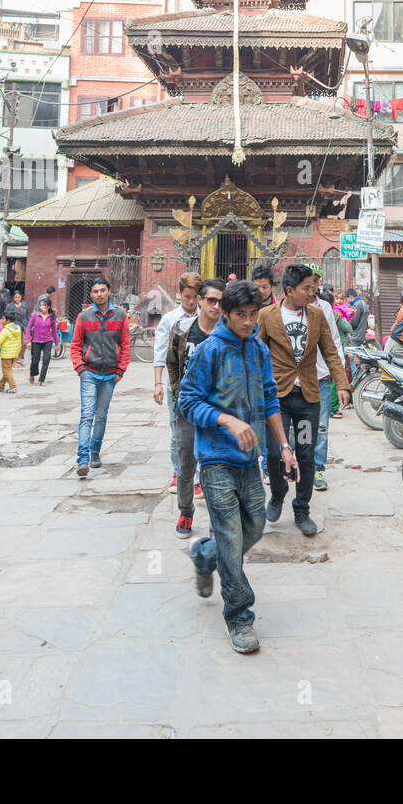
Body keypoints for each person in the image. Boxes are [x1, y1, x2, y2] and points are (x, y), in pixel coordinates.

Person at [179, 280, 299, 655]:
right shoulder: (208, 351)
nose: (248, 322)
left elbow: (269, 399)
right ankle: (239, 615)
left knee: (256, 526)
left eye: (253, 315)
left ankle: (205, 555)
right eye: (241, 316)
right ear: (225, 314)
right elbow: (187, 402)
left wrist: (283, 446)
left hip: (251, 460)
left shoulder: (259, 350)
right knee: (231, 536)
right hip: (215, 459)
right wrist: (226, 420)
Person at [256, 264, 350, 535]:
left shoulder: (318, 315)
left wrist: (342, 384)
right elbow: (257, 352)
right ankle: (277, 494)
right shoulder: (267, 316)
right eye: (307, 288)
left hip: (308, 399)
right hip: (278, 400)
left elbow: (331, 353)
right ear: (289, 290)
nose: (313, 292)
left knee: (306, 453)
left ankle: (302, 508)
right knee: (274, 453)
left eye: (313, 287)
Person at [166, 277, 224, 537]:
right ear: (199, 300)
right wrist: (178, 395)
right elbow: (172, 363)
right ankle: (186, 513)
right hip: (187, 409)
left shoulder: (228, 333)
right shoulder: (182, 329)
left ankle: (217, 519)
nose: (215, 306)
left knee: (215, 468)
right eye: (211, 300)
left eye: (221, 302)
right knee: (186, 467)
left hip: (216, 411)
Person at [69, 276, 131, 477]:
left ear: (109, 291)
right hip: (89, 372)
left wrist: (120, 370)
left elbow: (125, 344)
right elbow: (76, 345)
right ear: (91, 294)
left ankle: (95, 451)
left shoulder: (120, 315)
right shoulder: (83, 317)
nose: (99, 294)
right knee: (87, 415)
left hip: (110, 375)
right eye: (95, 291)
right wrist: (80, 369)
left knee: (101, 416)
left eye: (102, 290)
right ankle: (82, 459)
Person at [153, 273, 203, 492]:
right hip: (178, 384)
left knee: (202, 429)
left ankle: (200, 477)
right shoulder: (170, 319)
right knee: (177, 431)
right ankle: (178, 473)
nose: (191, 302)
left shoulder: (208, 316)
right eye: (187, 297)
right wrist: (158, 384)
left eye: (195, 297)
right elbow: (160, 352)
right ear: (180, 294)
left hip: (203, 384)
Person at [308, 266, 348, 491]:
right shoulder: (288, 309)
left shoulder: (325, 309)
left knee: (322, 425)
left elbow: (334, 342)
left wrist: (340, 377)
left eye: (315, 281)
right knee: (300, 426)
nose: (312, 286)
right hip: (298, 380)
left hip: (322, 376)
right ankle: (301, 463)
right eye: (309, 281)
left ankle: (318, 467)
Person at [0, 307, 24, 393]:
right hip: (14, 354)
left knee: (7, 371)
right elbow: (19, 342)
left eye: (3, 319)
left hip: (6, 354)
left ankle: (13, 386)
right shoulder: (17, 328)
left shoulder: (5, 330)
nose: (1, 320)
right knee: (7, 370)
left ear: (8, 320)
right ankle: (1, 386)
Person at [26, 296, 59, 385]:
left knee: (46, 360)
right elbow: (28, 328)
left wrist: (57, 343)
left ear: (48, 306)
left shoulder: (52, 317)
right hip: (36, 341)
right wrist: (28, 341)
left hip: (48, 341)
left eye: (44, 306)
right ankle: (32, 374)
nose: (42, 307)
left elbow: (54, 331)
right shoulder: (35, 315)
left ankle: (42, 379)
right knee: (35, 361)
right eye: (40, 305)